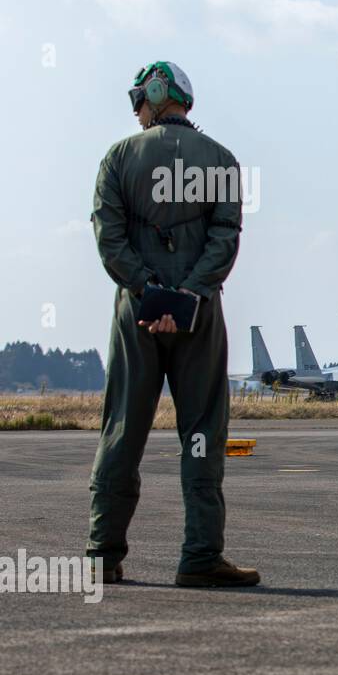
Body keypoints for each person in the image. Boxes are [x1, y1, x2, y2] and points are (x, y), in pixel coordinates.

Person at [87, 61, 259, 587]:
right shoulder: (223, 162)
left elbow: (108, 238)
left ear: (157, 94)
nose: (137, 110)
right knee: (203, 433)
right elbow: (225, 240)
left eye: (138, 98)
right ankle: (201, 557)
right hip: (198, 318)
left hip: (134, 316)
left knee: (122, 430)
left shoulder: (117, 158)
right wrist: (186, 297)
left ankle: (102, 555)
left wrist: (146, 292)